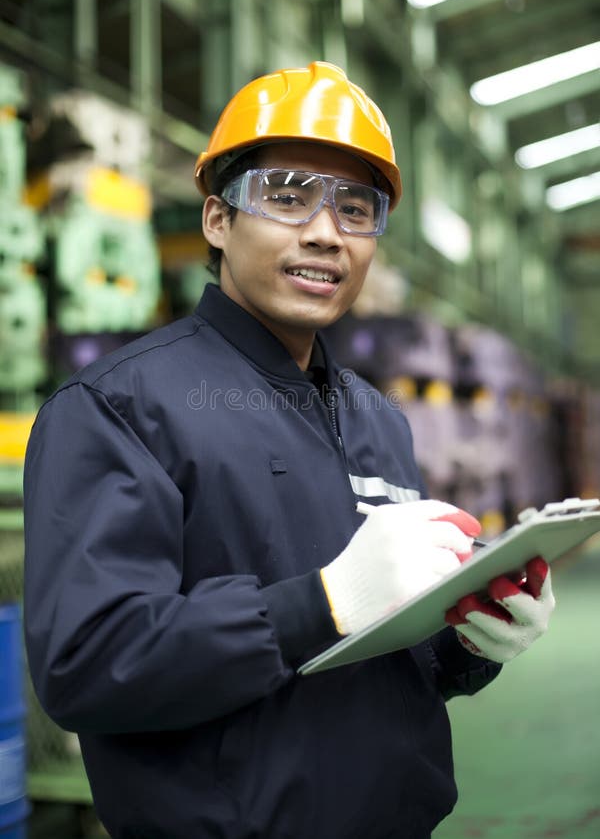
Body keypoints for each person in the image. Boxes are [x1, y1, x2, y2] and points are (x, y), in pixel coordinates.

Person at [23, 61, 555, 839]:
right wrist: (323, 603)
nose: (324, 232)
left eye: (355, 207)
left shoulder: (376, 418)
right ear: (216, 219)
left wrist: (473, 635)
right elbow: (88, 666)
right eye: (288, 196)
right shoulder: (120, 408)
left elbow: (390, 658)